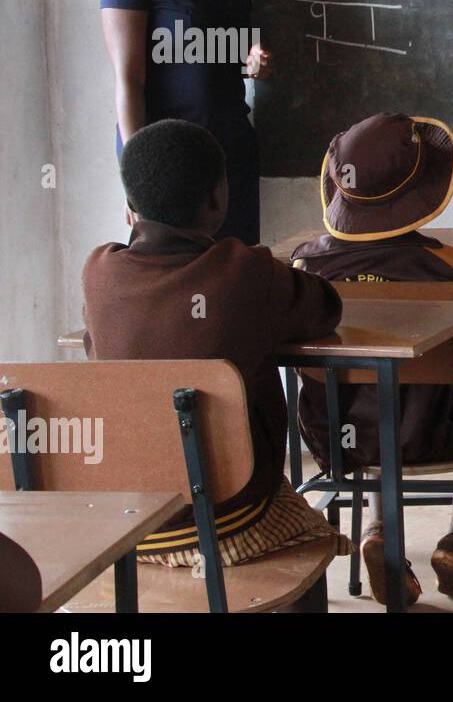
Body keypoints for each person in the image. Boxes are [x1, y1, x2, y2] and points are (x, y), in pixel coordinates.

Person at [82, 119, 347, 568]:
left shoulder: (98, 273)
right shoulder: (244, 272)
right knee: (312, 537)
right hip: (229, 517)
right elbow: (326, 307)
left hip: (128, 525)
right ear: (217, 199)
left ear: (130, 207)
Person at [292, 113, 453, 604]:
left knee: (370, 396)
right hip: (436, 433)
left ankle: (378, 529)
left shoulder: (308, 266)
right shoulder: (445, 268)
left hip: (340, 436)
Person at [100, 0, 269, 244]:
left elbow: (237, 52)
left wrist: (254, 59)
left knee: (235, 266)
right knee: (175, 275)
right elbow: (128, 79)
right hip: (169, 157)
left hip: (230, 147)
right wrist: (137, 179)